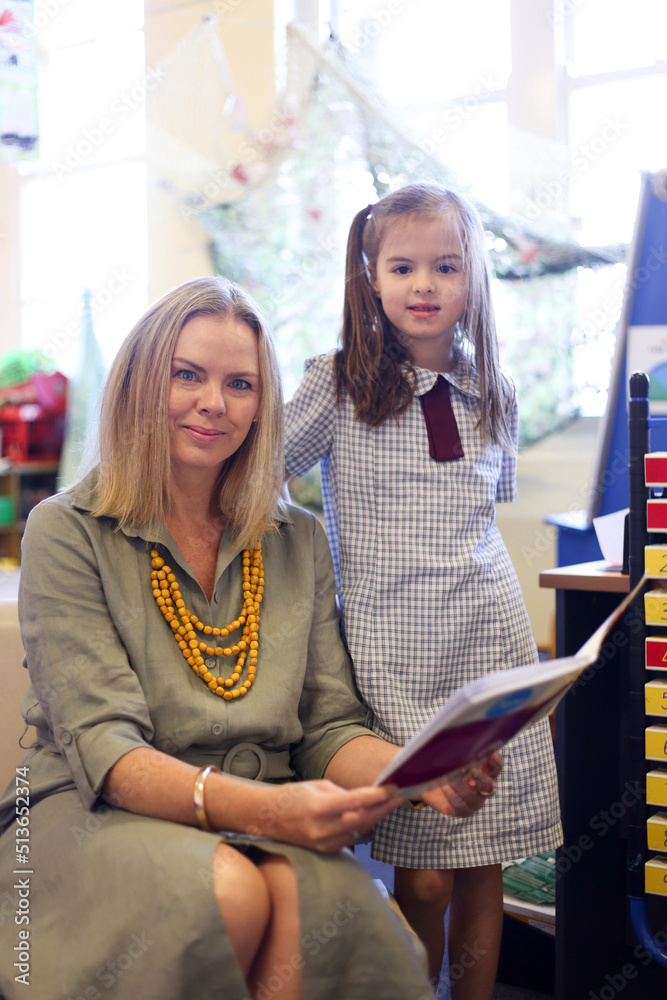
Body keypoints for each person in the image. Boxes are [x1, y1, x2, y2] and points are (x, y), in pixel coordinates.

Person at [0, 275, 501, 1000]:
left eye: (241, 384)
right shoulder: (65, 530)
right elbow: (105, 749)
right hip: (91, 813)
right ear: (139, 383)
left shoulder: (297, 537)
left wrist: (420, 773)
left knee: (313, 901)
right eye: (187, 375)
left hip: (262, 812)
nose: (215, 403)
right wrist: (271, 810)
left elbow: (328, 727)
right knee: (229, 893)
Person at [284, 183, 563, 997]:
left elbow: (486, 512)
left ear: (472, 278)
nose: (424, 285)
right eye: (402, 267)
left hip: (487, 642)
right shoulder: (335, 383)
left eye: (445, 266)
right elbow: (265, 471)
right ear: (369, 277)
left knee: (484, 865)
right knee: (426, 874)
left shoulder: (493, 393)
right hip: (394, 659)